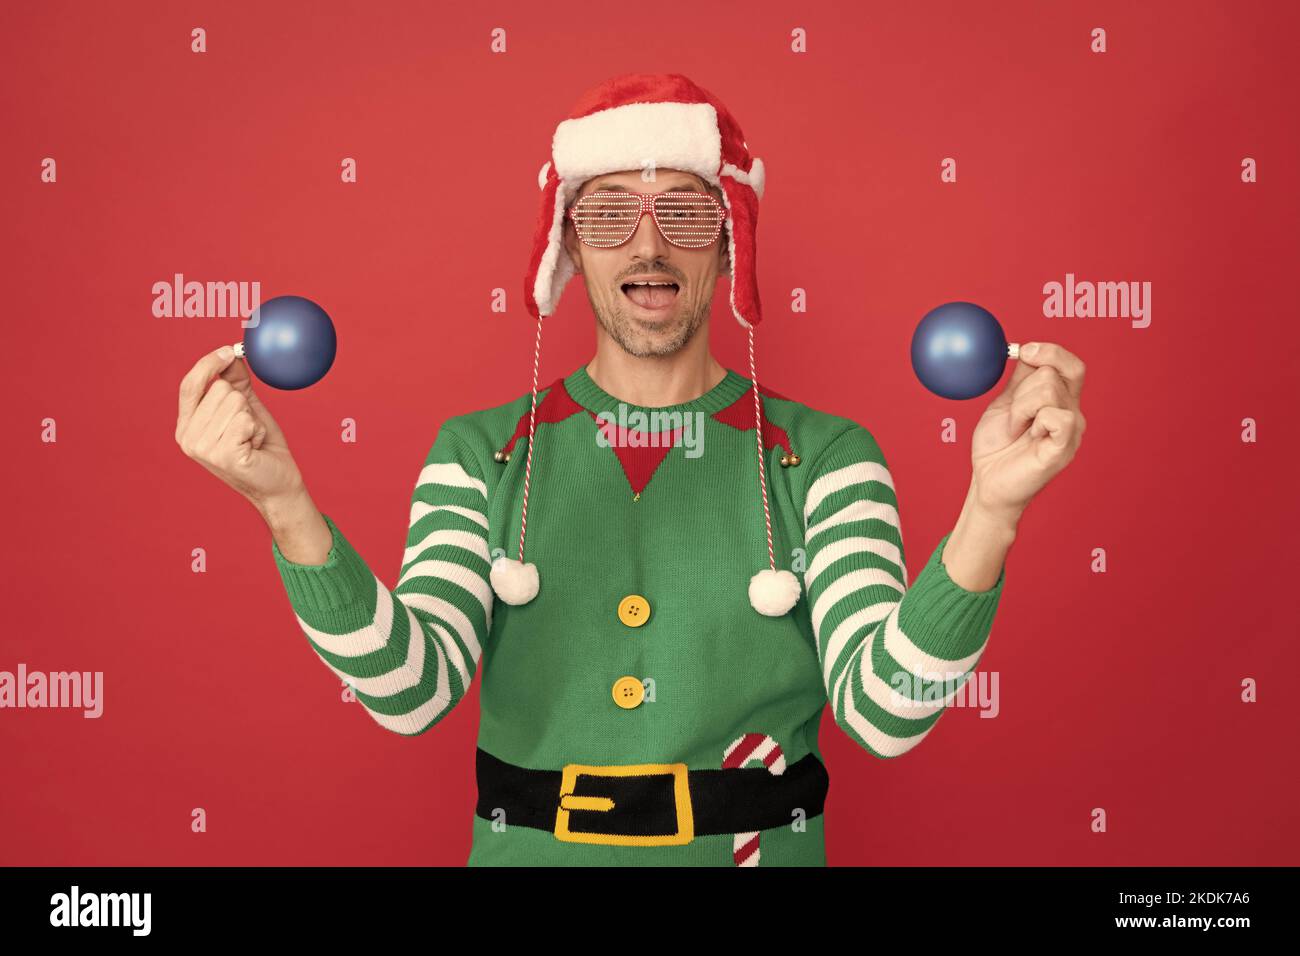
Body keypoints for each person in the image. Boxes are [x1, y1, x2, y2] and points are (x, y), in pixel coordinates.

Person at [175, 73, 1086, 866]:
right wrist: (285, 505)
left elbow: (891, 710)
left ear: (731, 243)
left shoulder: (824, 458)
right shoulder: (479, 452)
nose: (647, 247)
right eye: (608, 213)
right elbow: (411, 693)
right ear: (569, 248)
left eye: (686, 213)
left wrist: (992, 511)